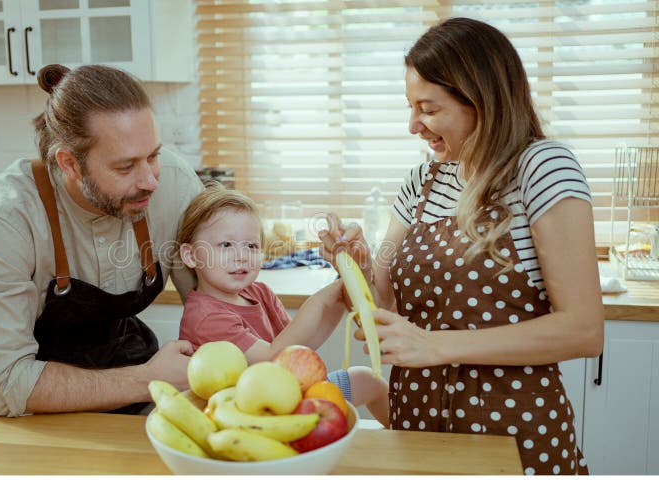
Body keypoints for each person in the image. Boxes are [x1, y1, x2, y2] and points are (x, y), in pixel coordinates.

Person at [318, 18, 604, 475]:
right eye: (411, 107)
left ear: (480, 101)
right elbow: (383, 306)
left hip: (512, 431)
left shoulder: (541, 167)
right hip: (416, 425)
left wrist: (436, 345)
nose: (414, 125)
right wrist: (354, 264)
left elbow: (584, 329)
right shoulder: (421, 183)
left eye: (428, 109)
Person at [0, 64, 204, 417]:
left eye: (153, 156)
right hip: (25, 413)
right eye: (125, 166)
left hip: (127, 374)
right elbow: (1, 382)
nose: (150, 180)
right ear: (70, 164)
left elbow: (216, 305)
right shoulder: (4, 219)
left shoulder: (175, 185)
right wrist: (148, 379)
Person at [177, 182, 390, 424]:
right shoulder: (206, 317)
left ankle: (407, 441)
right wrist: (320, 300)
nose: (241, 255)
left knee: (369, 381)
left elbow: (299, 348)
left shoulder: (260, 292)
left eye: (251, 245)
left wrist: (342, 292)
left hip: (285, 394)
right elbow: (272, 359)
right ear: (191, 255)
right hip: (250, 417)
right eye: (226, 245)